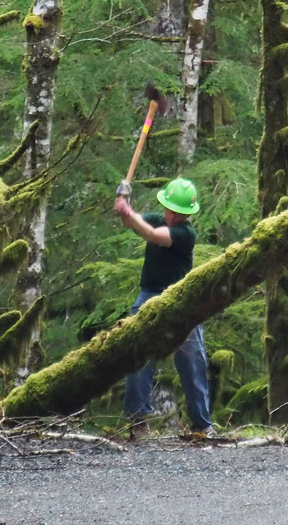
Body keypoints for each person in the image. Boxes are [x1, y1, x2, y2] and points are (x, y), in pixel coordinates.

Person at [114, 176, 211, 437]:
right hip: (148, 296)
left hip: (181, 300)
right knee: (138, 357)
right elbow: (132, 222)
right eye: (171, 210)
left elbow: (152, 235)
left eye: (179, 213)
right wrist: (124, 202)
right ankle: (137, 421)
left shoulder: (184, 233)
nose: (173, 216)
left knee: (192, 361)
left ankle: (202, 424)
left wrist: (129, 211)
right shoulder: (159, 218)